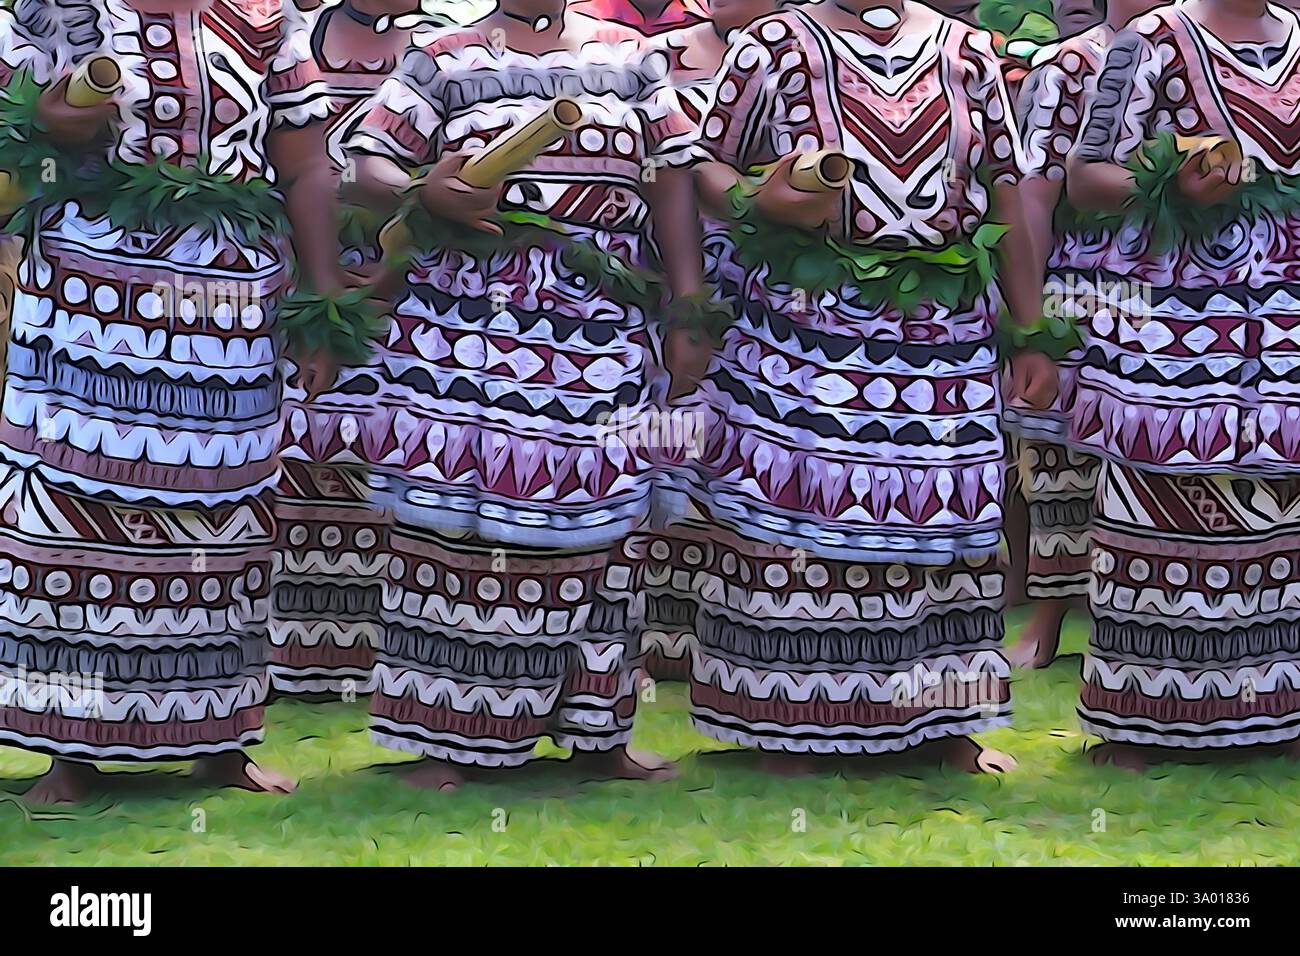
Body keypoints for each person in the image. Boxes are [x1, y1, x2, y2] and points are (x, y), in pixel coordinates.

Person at [335, 0, 704, 790]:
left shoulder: (631, 56)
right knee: (462, 528)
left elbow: (673, 182)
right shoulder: (444, 56)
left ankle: (599, 736)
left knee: (607, 530)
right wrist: (424, 193)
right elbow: (363, 165)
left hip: (603, 321)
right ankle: (452, 739)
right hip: (472, 321)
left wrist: (687, 301)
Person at [685, 0, 1057, 773]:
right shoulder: (776, 43)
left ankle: (942, 726)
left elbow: (1007, 189)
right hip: (804, 321)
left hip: (941, 326)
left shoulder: (966, 51)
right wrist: (760, 201)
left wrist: (1029, 329)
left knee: (940, 510)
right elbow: (700, 161)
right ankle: (792, 722)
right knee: (802, 508)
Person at [0, 0, 338, 804]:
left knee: (225, 513)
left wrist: (324, 298)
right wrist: (52, 125)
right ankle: (69, 752)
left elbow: (305, 162)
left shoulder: (262, 16)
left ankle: (220, 743)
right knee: (71, 507)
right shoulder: (62, 11)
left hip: (230, 299)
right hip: (87, 298)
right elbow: (14, 138)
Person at [1068, 0, 1300, 766]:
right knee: (1161, 491)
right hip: (1173, 320)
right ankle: (1143, 718)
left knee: (1284, 502)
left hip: (1288, 314)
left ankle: (1279, 708)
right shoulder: (1151, 40)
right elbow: (1086, 175)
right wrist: (1175, 186)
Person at [269, 0, 446, 698]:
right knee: (300, 446)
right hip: (298, 271)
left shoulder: (443, 48)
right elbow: (284, 163)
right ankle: (294, 652)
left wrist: (393, 272)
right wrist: (312, 272)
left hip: (417, 282)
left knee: (386, 454)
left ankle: (378, 652)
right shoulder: (295, 32)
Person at [1005, 0, 1157, 669]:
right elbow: (1035, 188)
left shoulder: (1195, 45)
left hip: (1188, 289)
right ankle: (1046, 621)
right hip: (1087, 279)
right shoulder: (1070, 64)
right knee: (1060, 457)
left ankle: (1150, 621)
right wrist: (1029, 314)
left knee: (1153, 455)